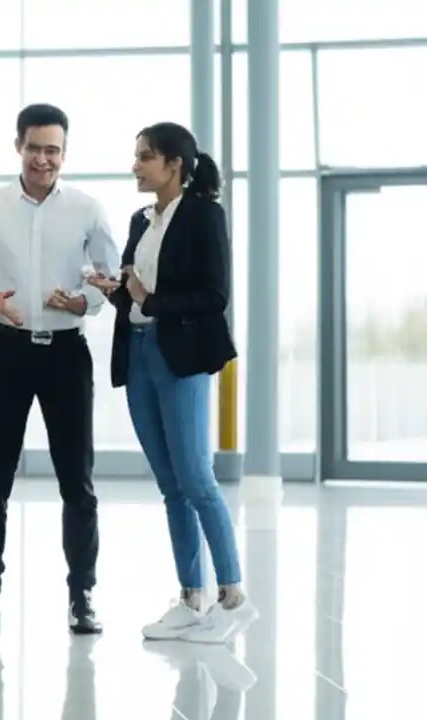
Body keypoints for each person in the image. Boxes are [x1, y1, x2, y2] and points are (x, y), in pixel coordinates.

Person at [87, 121, 257, 644]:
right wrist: (113, 289)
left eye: (145, 156)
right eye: (136, 155)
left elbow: (214, 294)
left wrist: (147, 298)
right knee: (171, 485)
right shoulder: (142, 220)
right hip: (138, 355)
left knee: (196, 478)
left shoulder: (205, 216)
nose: (136, 165)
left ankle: (232, 597)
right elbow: (135, 290)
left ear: (175, 165)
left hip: (179, 355)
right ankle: (191, 597)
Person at [0, 104, 119, 634]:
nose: (43, 159)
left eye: (53, 150)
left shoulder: (89, 209)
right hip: (6, 351)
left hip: (67, 355)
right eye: (34, 148)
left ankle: (83, 595)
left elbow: (110, 278)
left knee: (78, 481)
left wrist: (83, 304)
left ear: (64, 152)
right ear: (18, 147)